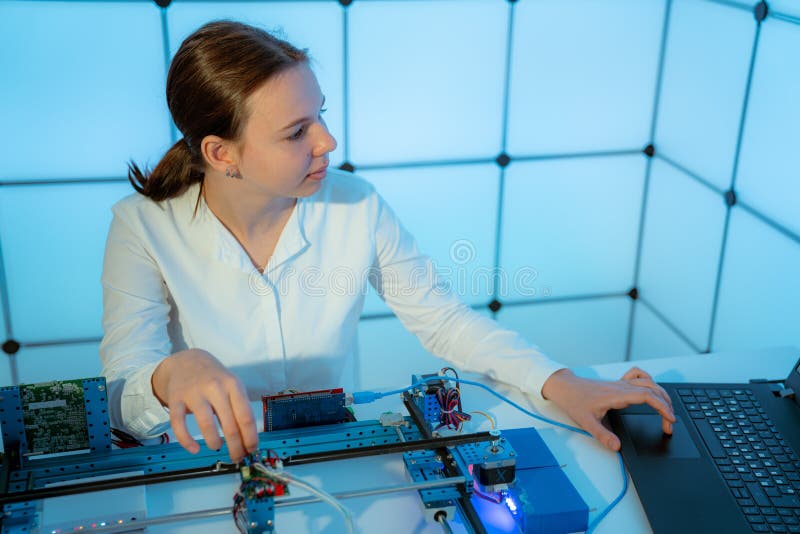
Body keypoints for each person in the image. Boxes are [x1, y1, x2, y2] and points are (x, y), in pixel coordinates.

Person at [99, 20, 674, 463]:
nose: (328, 141)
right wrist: (171, 374)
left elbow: (443, 322)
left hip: (335, 457)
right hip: (207, 467)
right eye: (297, 132)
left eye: (319, 115)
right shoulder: (141, 226)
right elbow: (124, 391)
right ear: (222, 153)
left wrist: (560, 382)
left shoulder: (357, 202)